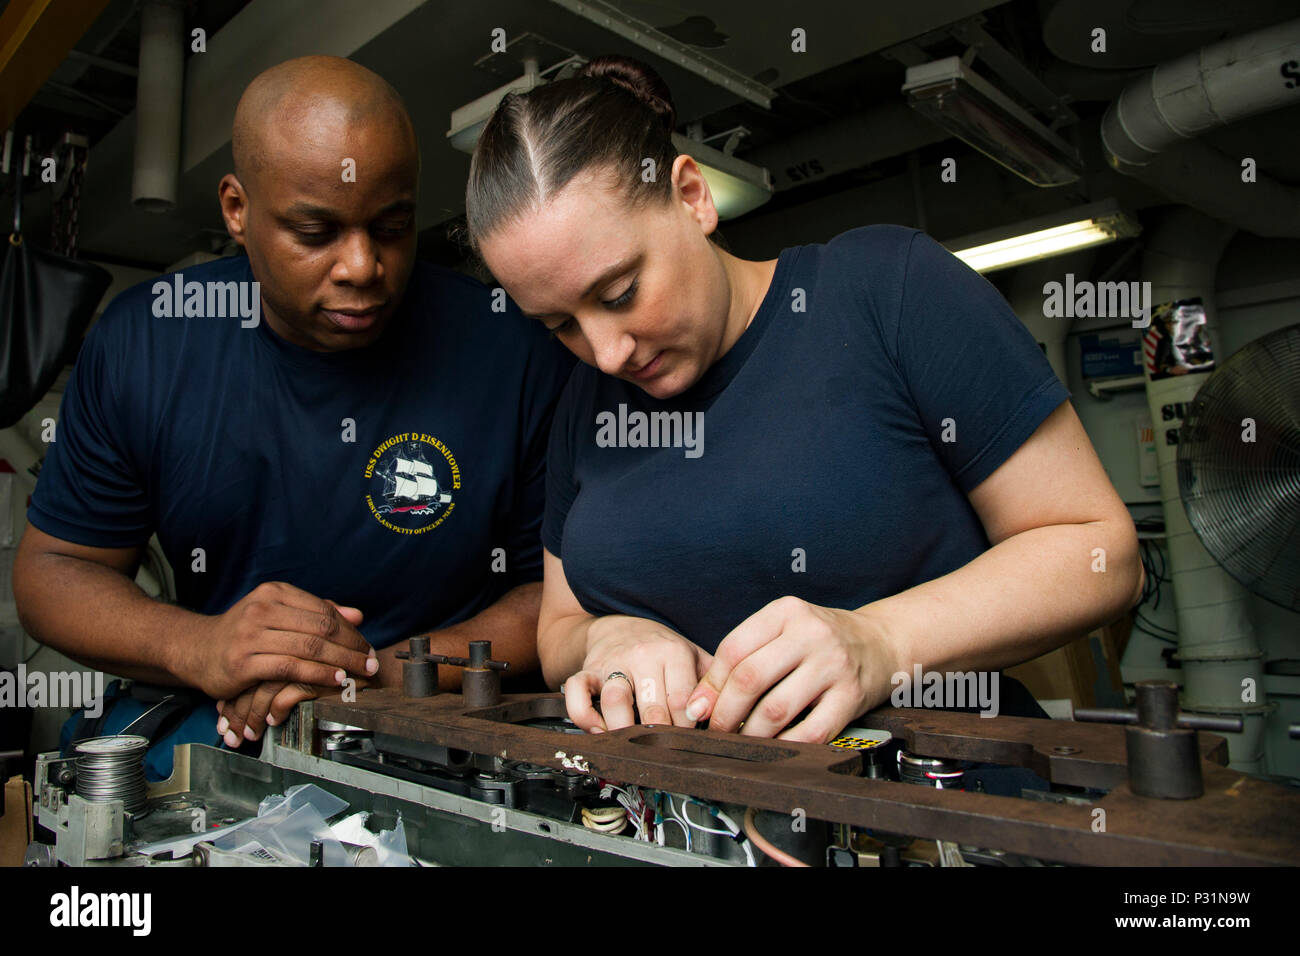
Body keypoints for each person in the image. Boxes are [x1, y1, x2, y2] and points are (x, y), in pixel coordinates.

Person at [465, 55, 1144, 744]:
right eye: (561, 325)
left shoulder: (886, 291)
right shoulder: (587, 402)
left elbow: (1101, 554)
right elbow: (558, 628)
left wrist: (880, 641)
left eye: (620, 294)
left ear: (693, 196)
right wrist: (609, 639)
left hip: (937, 811)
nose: (608, 353)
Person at [12, 56, 573, 776]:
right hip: (230, 721)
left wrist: (380, 672)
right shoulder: (146, 344)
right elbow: (55, 570)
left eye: (392, 226)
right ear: (237, 210)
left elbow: (553, 593)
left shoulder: (514, 347)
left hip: (445, 728)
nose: (363, 267)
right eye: (316, 232)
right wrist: (205, 648)